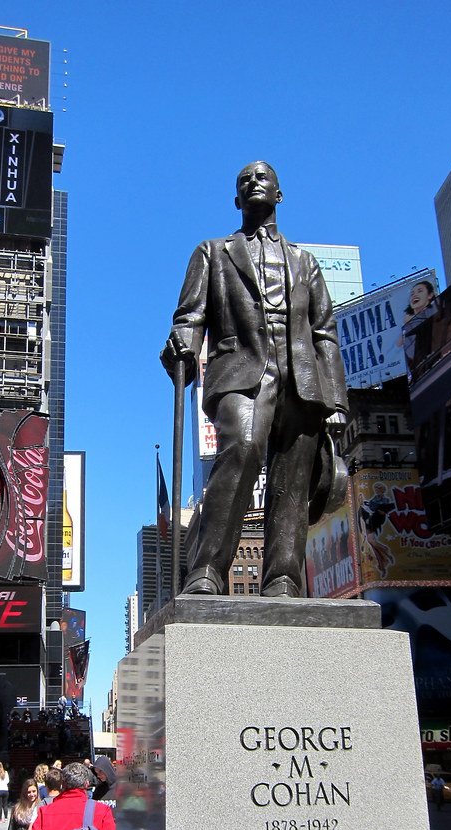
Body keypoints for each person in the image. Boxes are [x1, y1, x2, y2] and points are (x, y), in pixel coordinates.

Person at [161, 161, 348, 598]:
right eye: (244, 180)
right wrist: (182, 345)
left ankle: (283, 576)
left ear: (279, 194)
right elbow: (190, 316)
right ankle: (207, 569)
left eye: (262, 178)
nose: (253, 183)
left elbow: (325, 334)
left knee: (294, 477)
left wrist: (336, 401)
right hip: (241, 373)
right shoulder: (212, 252)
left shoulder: (305, 262)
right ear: (235, 199)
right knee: (242, 449)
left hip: (302, 381)